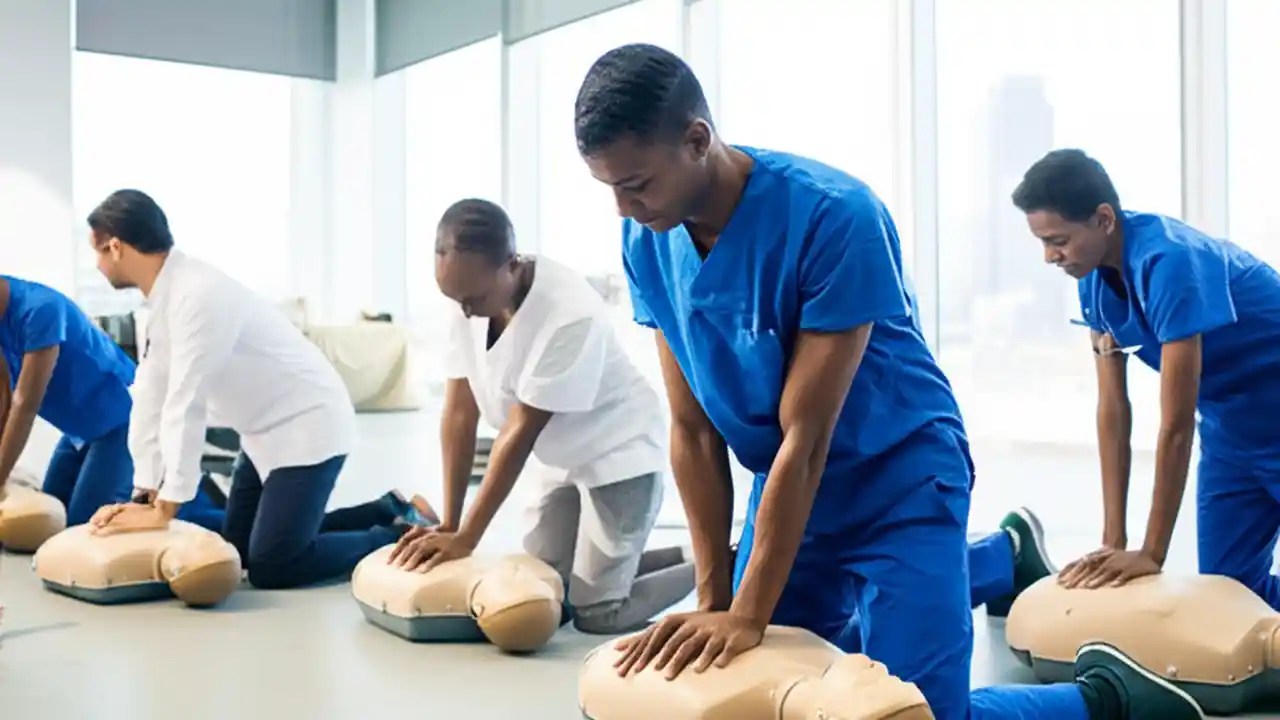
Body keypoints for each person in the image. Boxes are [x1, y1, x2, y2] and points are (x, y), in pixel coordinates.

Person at [571, 44, 1202, 720]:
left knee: (913, 712)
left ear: (697, 140)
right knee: (754, 691)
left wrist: (749, 612)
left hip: (898, 476)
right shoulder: (646, 239)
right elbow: (693, 431)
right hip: (788, 493)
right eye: (608, 187)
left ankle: (1100, 697)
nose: (622, 208)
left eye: (636, 184)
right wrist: (714, 598)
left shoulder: (835, 215)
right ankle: (996, 558)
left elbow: (805, 438)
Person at [83, 189, 419, 589]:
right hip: (261, 432)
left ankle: (398, 537)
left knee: (273, 564)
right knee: (237, 551)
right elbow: (150, 398)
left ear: (116, 247)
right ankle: (390, 508)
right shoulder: (162, 302)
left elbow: (186, 401)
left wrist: (167, 506)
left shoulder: (199, 293)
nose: (97, 265)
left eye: (98, 252)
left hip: (309, 423)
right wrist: (143, 495)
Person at [389, 198, 694, 634]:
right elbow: (459, 415)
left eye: (473, 298)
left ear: (511, 265)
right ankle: (629, 568)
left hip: (617, 452)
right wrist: (451, 523)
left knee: (597, 613)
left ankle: (725, 560)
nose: (464, 311)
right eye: (453, 298)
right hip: (560, 459)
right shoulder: (467, 296)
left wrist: (469, 538)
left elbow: (519, 433)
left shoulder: (570, 312)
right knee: (546, 590)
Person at [1013, 148, 1280, 608]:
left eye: (1058, 240)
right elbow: (1113, 410)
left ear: (1103, 219)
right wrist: (1113, 540)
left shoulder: (1171, 261)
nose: (1049, 257)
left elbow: (1175, 424)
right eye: (1041, 242)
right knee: (1231, 597)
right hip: (1232, 432)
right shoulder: (1092, 281)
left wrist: (1152, 553)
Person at [0, 274, 224, 530]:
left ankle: (221, 517)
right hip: (80, 430)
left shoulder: (40, 309)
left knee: (86, 526)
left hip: (120, 419)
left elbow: (24, 403)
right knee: (48, 517)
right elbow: (4, 396)